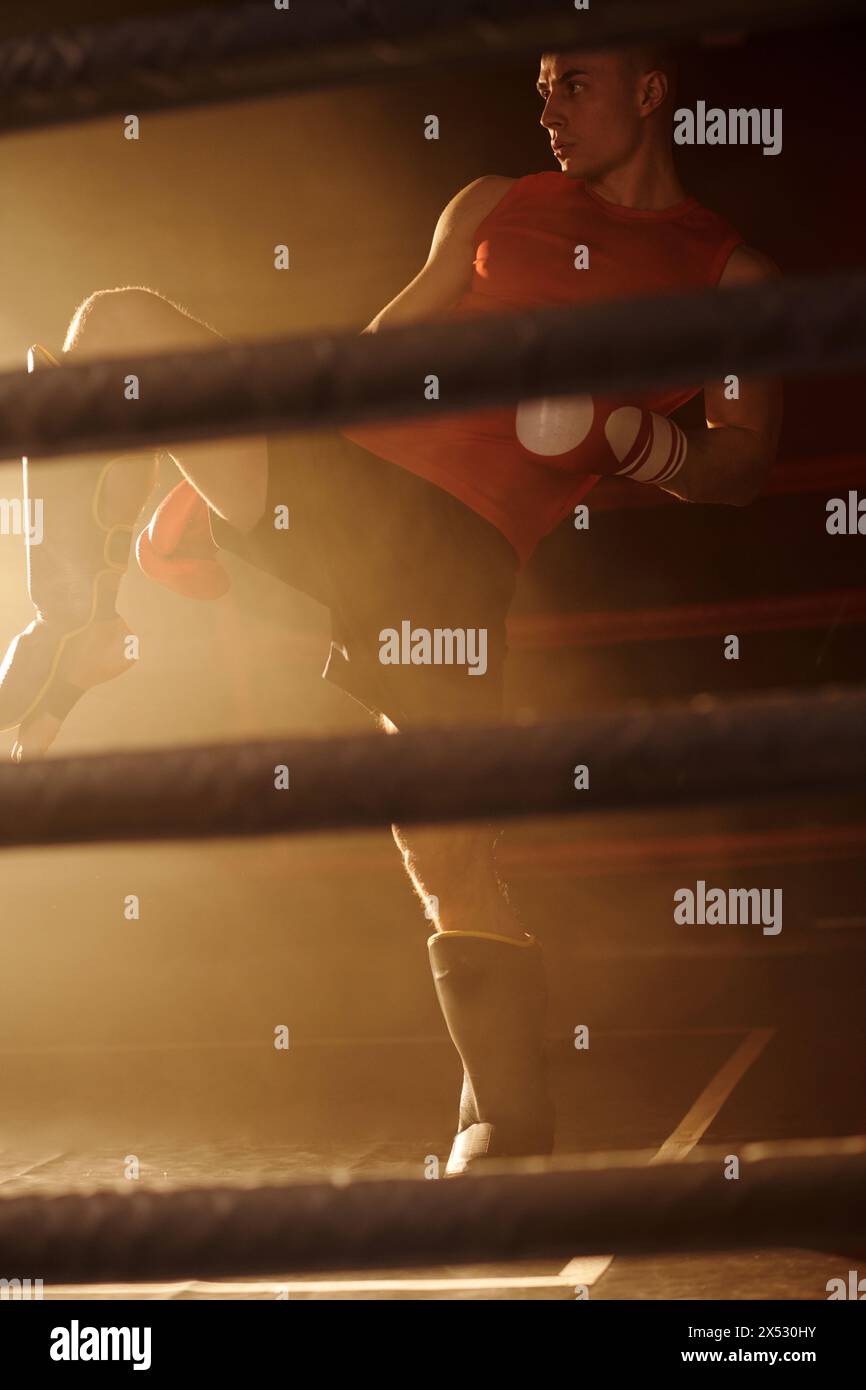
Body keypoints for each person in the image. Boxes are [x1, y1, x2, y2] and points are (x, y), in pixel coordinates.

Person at [0, 45, 782, 1175]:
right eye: (540, 86)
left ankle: (504, 1118)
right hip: (350, 484)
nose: (548, 107)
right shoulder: (488, 203)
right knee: (118, 322)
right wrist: (208, 460)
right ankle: (68, 606)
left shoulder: (727, 280)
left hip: (455, 562)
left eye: (574, 83)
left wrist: (639, 442)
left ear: (649, 90)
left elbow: (742, 460)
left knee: (450, 856)